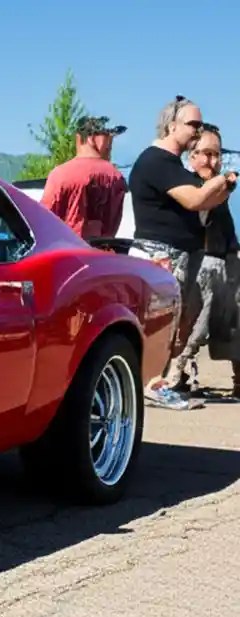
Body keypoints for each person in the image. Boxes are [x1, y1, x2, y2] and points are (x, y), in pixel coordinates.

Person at [128, 96, 237, 409]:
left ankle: (156, 384)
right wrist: (226, 182)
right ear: (171, 125)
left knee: (173, 327)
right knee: (159, 326)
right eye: (192, 124)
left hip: (178, 255)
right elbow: (196, 199)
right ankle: (150, 385)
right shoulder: (156, 161)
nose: (197, 129)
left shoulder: (170, 164)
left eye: (200, 124)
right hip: (161, 255)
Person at [180, 124, 240, 397]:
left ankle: (239, 381)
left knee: (233, 319)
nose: (212, 161)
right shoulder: (184, 186)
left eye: (216, 155)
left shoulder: (220, 188)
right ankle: (179, 373)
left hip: (223, 260)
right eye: (205, 154)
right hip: (193, 264)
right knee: (191, 323)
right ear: (191, 156)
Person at [40, 115, 128, 239]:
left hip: (66, 251)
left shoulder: (61, 174)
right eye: (107, 138)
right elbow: (113, 222)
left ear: (78, 137)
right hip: (101, 252)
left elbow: (43, 219)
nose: (110, 145)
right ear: (91, 139)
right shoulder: (116, 177)